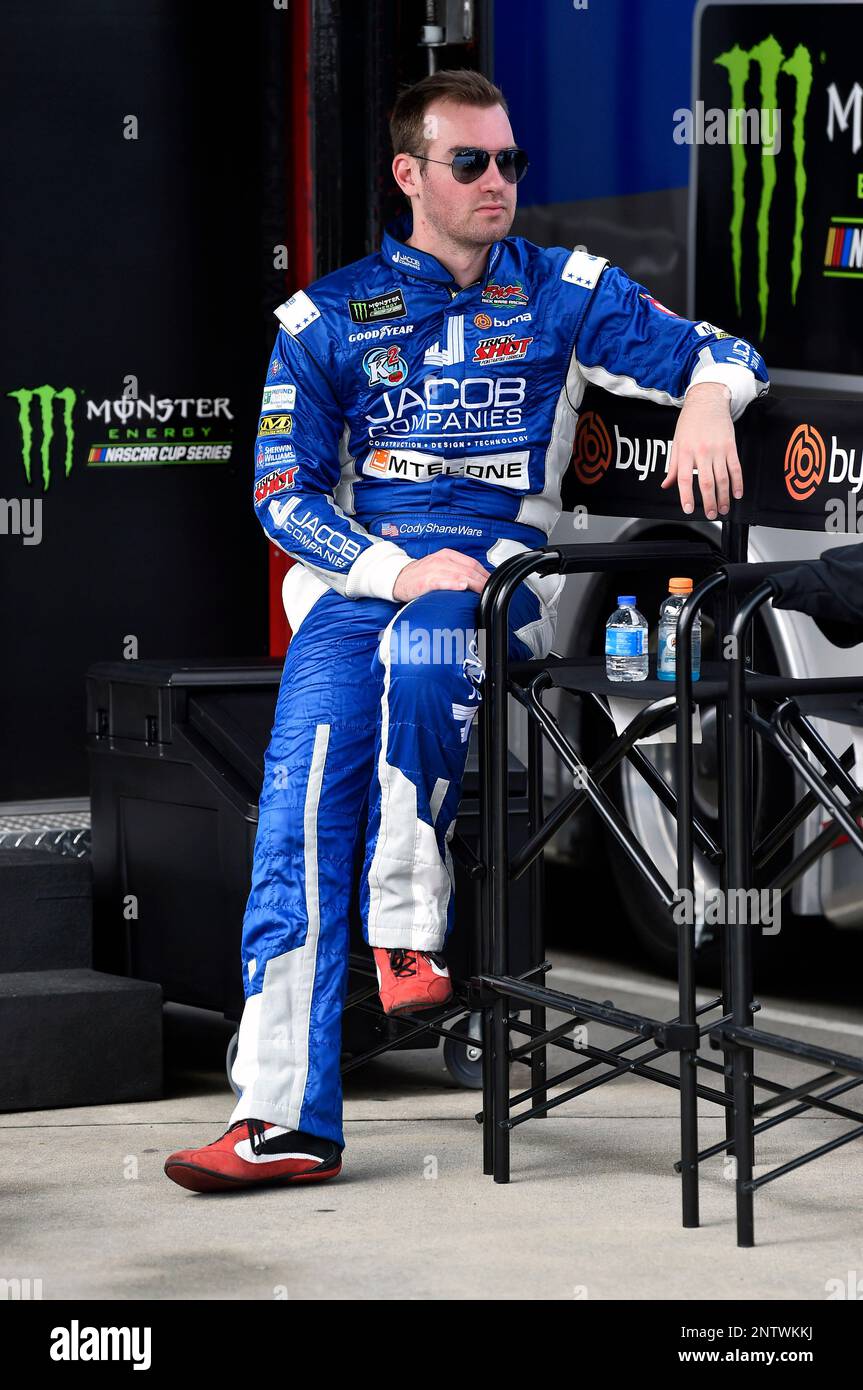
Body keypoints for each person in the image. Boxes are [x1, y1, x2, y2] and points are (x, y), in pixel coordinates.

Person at [164, 68, 769, 1192]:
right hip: (364, 585)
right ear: (408, 175)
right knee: (298, 803)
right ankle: (283, 1119)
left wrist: (696, 397)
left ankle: (405, 927)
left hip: (499, 580)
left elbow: (726, 353)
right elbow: (281, 497)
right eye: (470, 164)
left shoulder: (563, 291)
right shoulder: (328, 316)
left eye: (510, 163)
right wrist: (391, 567)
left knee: (440, 624)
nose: (498, 184)